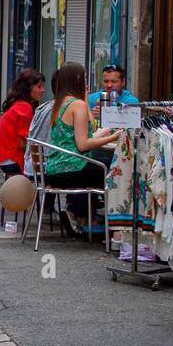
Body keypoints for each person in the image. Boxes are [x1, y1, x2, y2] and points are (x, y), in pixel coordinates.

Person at [45, 62, 122, 234]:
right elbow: (83, 144)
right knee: (113, 169)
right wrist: (113, 137)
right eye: (85, 78)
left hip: (55, 168)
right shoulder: (77, 105)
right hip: (71, 168)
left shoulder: (60, 103)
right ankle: (114, 226)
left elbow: (80, 138)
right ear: (78, 79)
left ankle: (83, 215)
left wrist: (107, 130)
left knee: (101, 164)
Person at [0, 68, 45, 178]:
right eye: (39, 86)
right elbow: (22, 143)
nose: (43, 90)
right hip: (12, 158)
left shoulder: (17, 103)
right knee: (48, 172)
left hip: (2, 157)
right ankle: (34, 194)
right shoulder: (25, 107)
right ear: (28, 88)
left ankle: (18, 192)